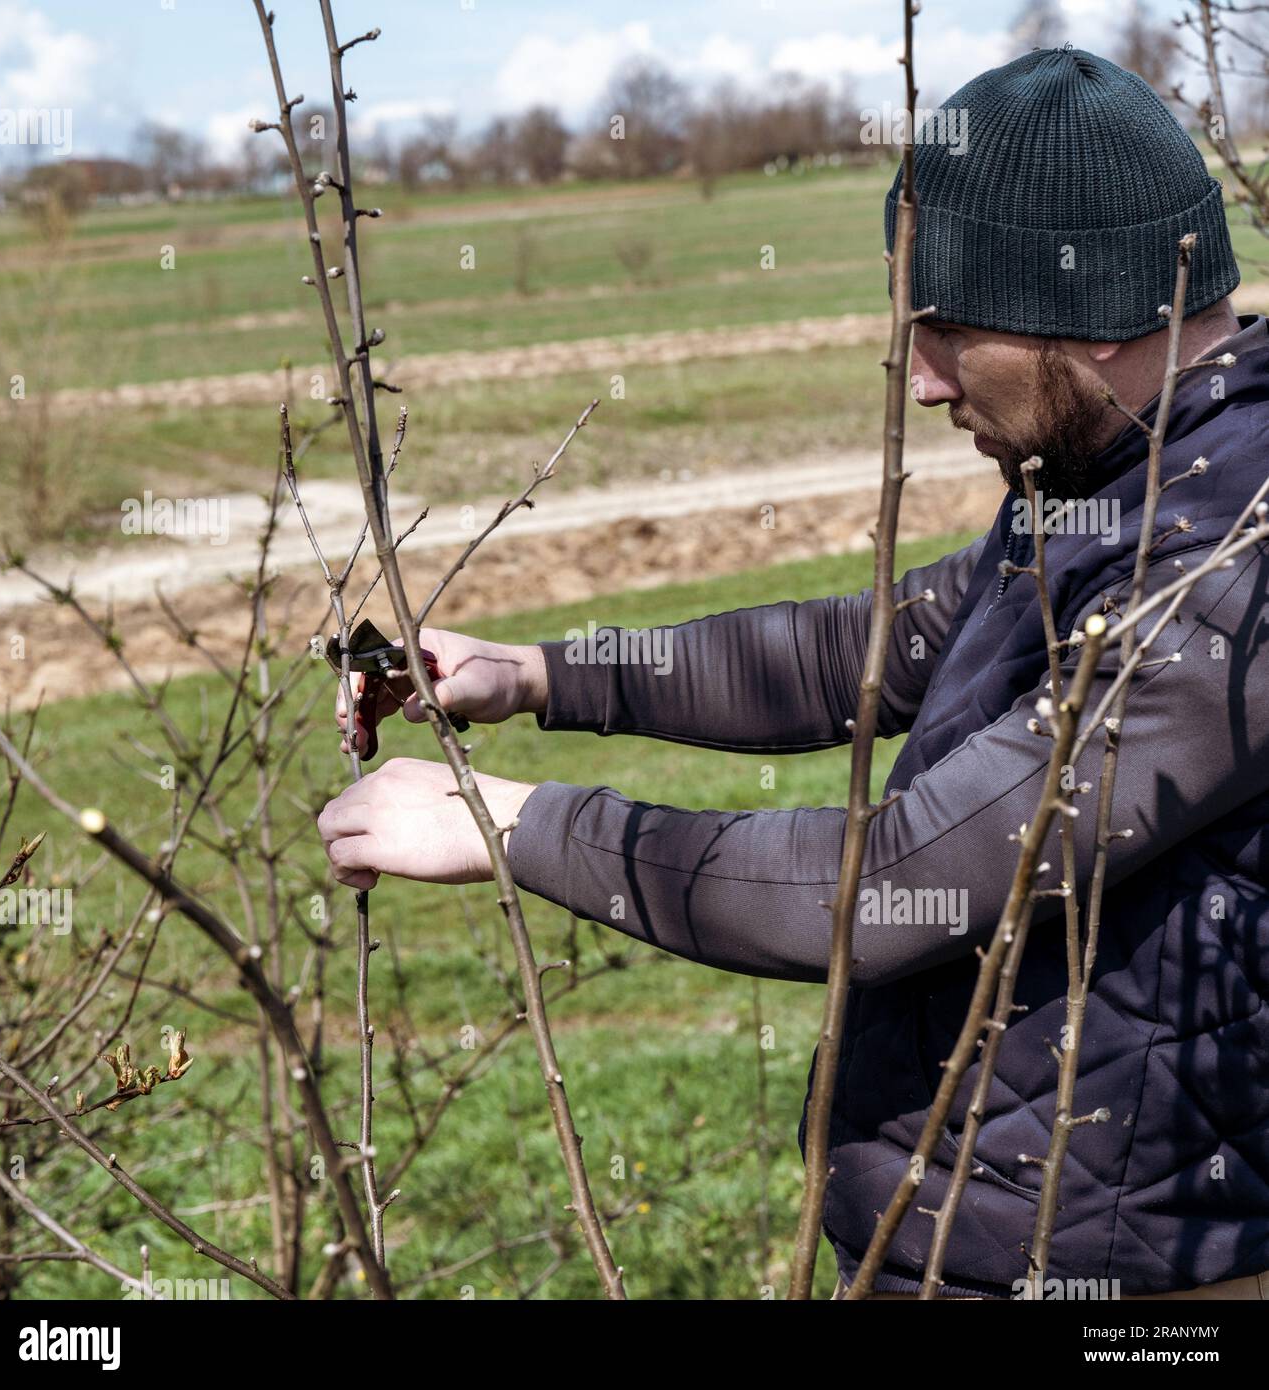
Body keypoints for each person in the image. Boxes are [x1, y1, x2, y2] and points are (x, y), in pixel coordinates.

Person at [318, 47, 1269, 1298]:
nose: (917, 380)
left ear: (1086, 317)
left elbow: (899, 882)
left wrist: (512, 824)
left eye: (946, 329)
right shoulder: (1118, 484)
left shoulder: (1228, 569)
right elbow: (860, 651)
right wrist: (538, 672)